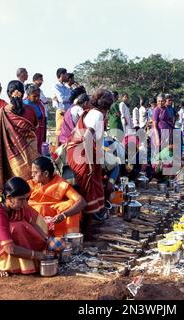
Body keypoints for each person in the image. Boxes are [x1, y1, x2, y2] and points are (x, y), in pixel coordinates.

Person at [0, 177, 48, 278]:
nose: (24, 203)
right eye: (21, 199)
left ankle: (29, 259)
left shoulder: (15, 203)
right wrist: (37, 255)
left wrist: (47, 241)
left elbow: (33, 224)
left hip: (4, 241)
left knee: (31, 221)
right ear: (9, 197)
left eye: (26, 199)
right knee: (16, 227)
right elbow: (10, 249)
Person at [65, 89, 114, 239]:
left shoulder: (93, 112)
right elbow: (87, 137)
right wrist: (92, 164)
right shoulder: (97, 114)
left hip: (83, 151)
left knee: (93, 185)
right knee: (88, 189)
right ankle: (85, 230)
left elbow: (96, 140)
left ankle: (88, 227)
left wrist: (98, 162)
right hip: (81, 153)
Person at [0, 80, 39, 191]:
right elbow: (35, 128)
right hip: (30, 153)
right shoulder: (30, 110)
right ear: (23, 93)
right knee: (30, 183)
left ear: (8, 94)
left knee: (13, 185)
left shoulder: (1, 113)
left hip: (10, 157)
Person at [28, 156, 86, 237]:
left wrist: (63, 215)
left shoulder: (60, 184)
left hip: (55, 214)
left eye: (35, 172)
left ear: (46, 173)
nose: (32, 175)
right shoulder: (31, 184)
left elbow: (81, 202)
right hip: (38, 218)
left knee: (72, 204)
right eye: (32, 172)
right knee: (40, 208)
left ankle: (70, 238)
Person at [23, 84, 46, 154]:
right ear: (28, 96)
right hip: (29, 131)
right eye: (34, 96)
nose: (37, 98)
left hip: (39, 130)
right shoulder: (24, 105)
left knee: (38, 148)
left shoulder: (39, 103)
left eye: (38, 96)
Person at [52, 68, 72, 146]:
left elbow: (69, 98)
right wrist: (70, 97)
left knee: (67, 131)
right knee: (59, 132)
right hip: (61, 110)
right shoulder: (56, 85)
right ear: (61, 75)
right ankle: (57, 153)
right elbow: (62, 99)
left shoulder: (66, 87)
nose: (67, 76)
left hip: (67, 111)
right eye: (66, 74)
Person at [33, 73, 49, 142]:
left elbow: (45, 101)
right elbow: (44, 101)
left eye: (42, 80)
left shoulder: (40, 90)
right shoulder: (32, 89)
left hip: (43, 115)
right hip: (37, 116)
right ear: (34, 80)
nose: (41, 82)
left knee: (43, 136)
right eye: (40, 80)